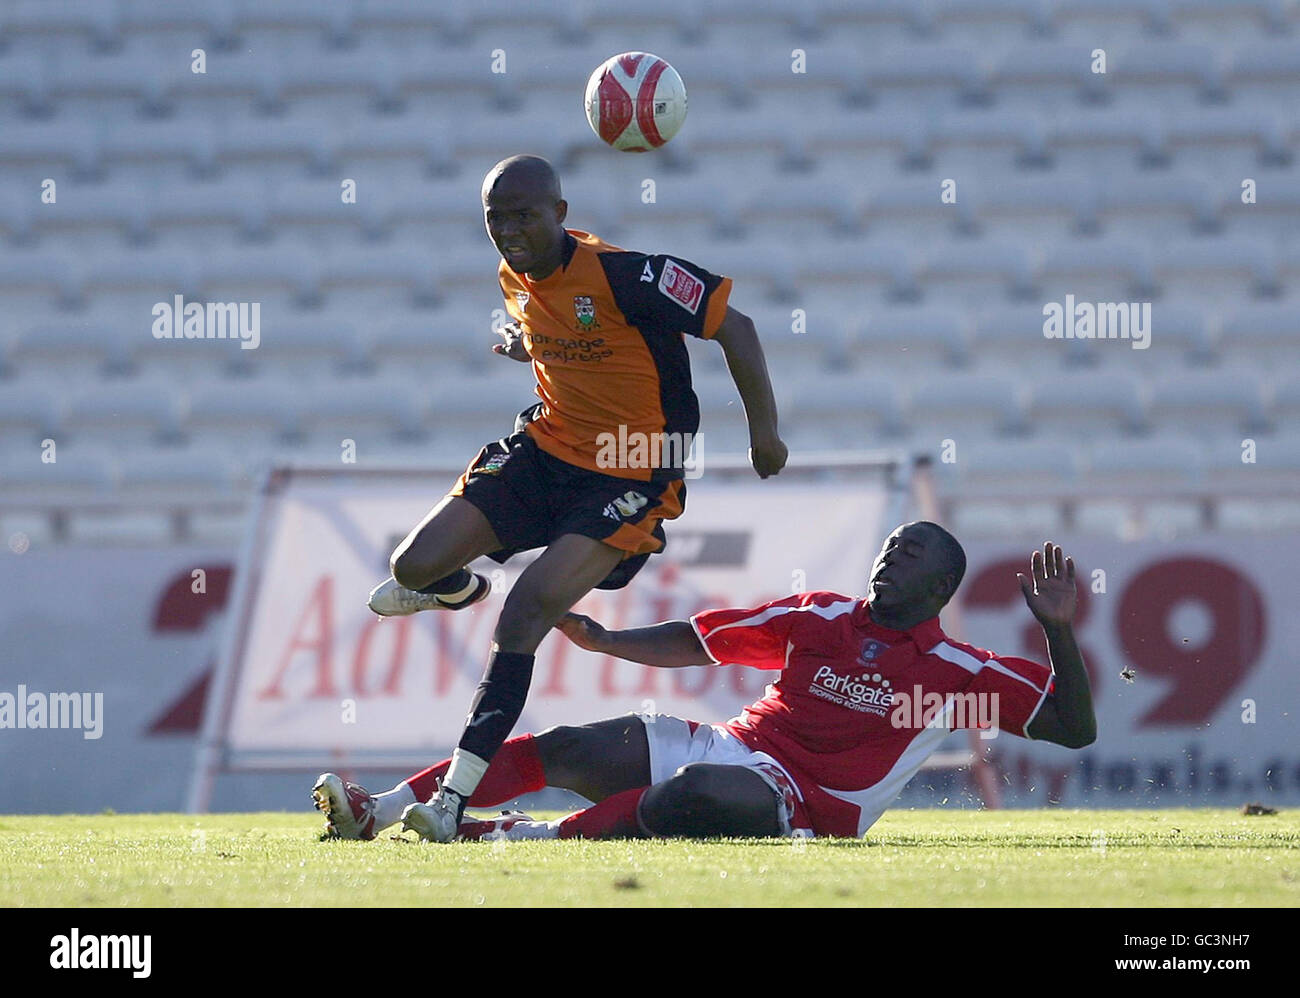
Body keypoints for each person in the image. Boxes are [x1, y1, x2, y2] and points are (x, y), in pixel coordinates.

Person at [312, 154, 787, 842]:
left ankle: (450, 803)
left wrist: (764, 436)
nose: (508, 229)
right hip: (546, 453)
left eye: (524, 215)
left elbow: (735, 327)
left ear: (560, 215)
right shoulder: (516, 273)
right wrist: (521, 344)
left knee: (528, 608)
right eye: (494, 217)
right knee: (413, 566)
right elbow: (560, 334)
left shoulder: (630, 275)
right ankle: (454, 588)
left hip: (633, 469)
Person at [313, 523, 1095, 841]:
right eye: (890, 547)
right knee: (569, 744)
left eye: (913, 554)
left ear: (942, 587)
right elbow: (701, 640)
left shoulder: (956, 673)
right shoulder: (820, 616)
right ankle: (377, 812)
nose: (892, 558)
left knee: (700, 792)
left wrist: (1058, 630)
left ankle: (519, 838)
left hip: (809, 804)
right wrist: (607, 640)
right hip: (738, 744)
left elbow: (1071, 726)